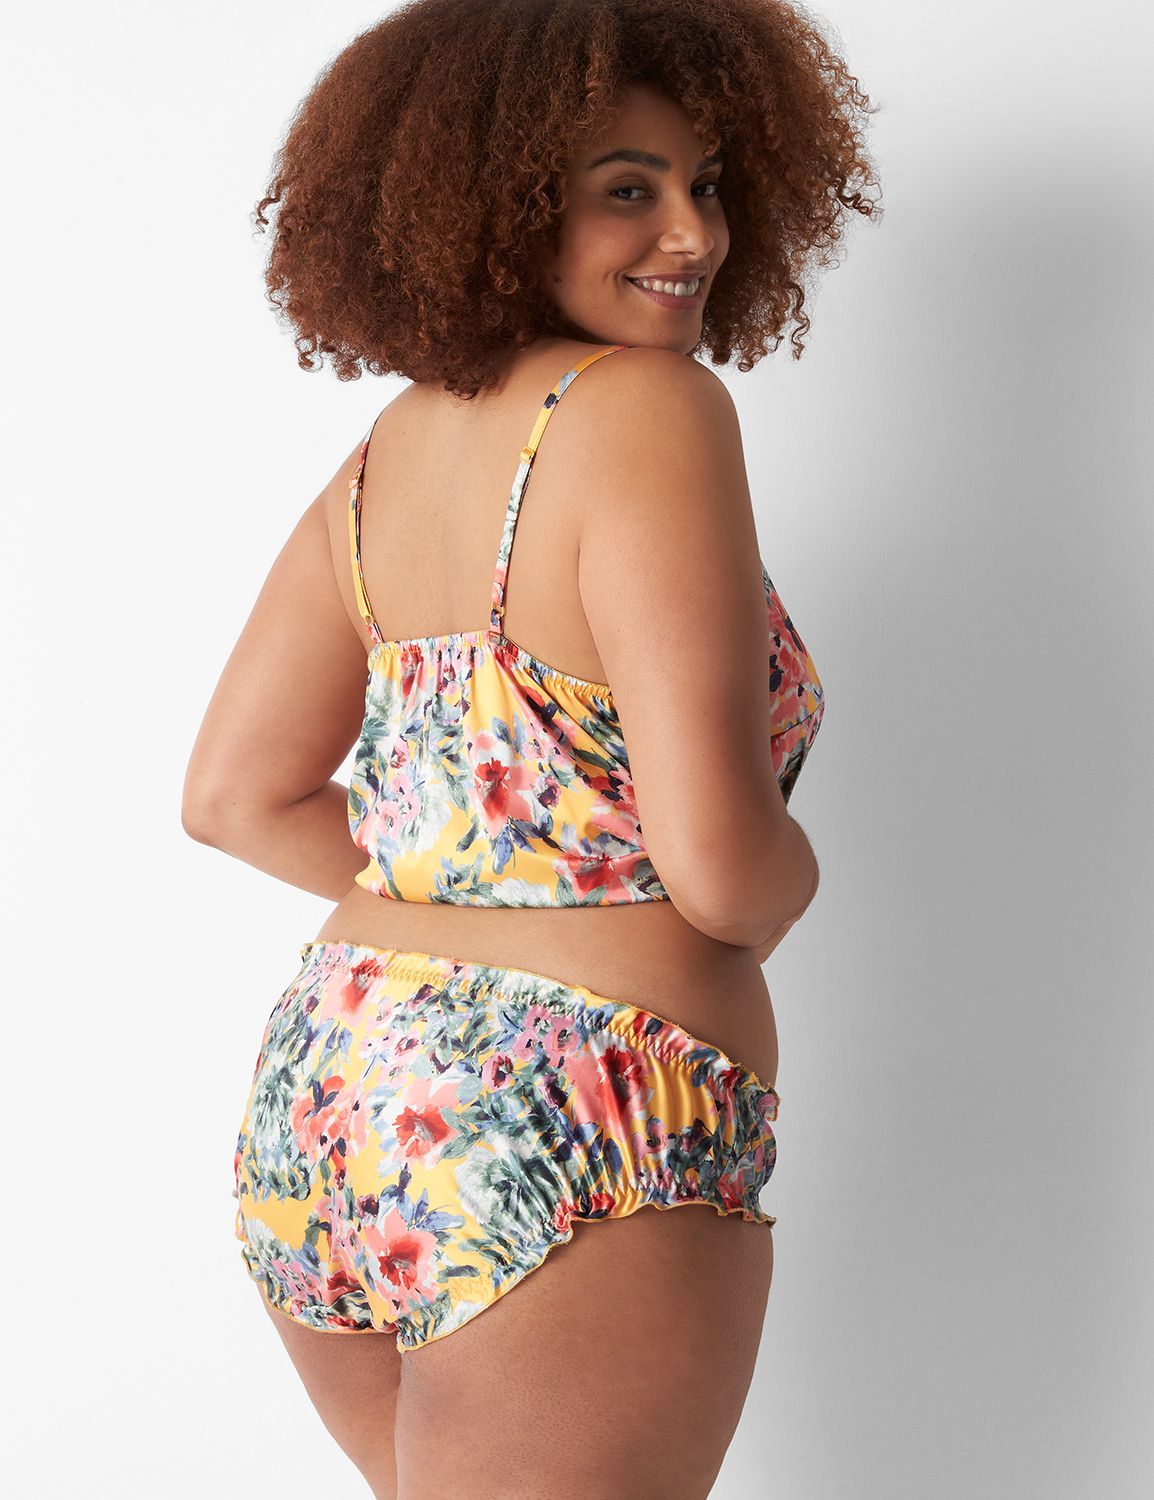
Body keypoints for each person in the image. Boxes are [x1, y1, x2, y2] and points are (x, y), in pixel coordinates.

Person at [182, 1, 878, 1494]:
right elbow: (722, 869)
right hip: (566, 1108)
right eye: (628, 187)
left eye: (707, 183)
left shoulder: (393, 448)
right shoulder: (651, 410)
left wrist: (469, 906)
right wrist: (792, 879)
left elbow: (235, 795)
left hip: (337, 1089)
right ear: (495, 204)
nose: (692, 233)